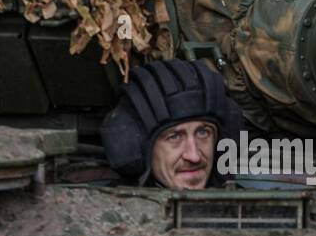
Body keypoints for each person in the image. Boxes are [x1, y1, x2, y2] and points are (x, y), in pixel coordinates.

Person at [100, 59, 243, 189]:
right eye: (174, 137)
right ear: (137, 146)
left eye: (203, 132)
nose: (194, 156)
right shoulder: (106, 211)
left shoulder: (247, 208)